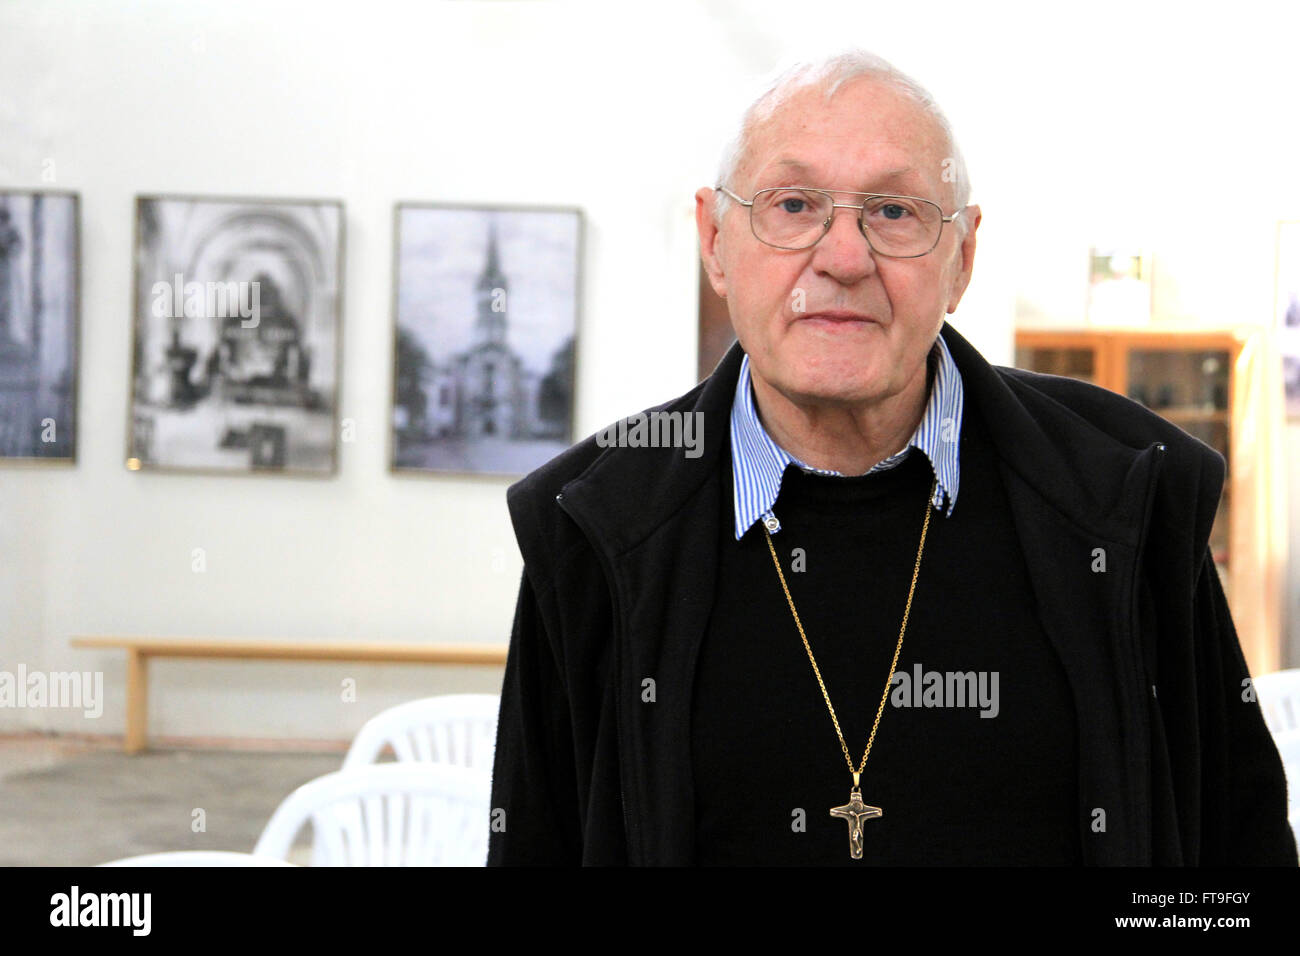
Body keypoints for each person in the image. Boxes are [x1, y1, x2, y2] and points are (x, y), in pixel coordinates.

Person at [487, 49, 1298, 865]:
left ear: (963, 259)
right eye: (794, 204)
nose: (843, 259)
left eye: (896, 212)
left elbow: (1238, 856)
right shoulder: (591, 526)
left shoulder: (1129, 495)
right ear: (715, 241)